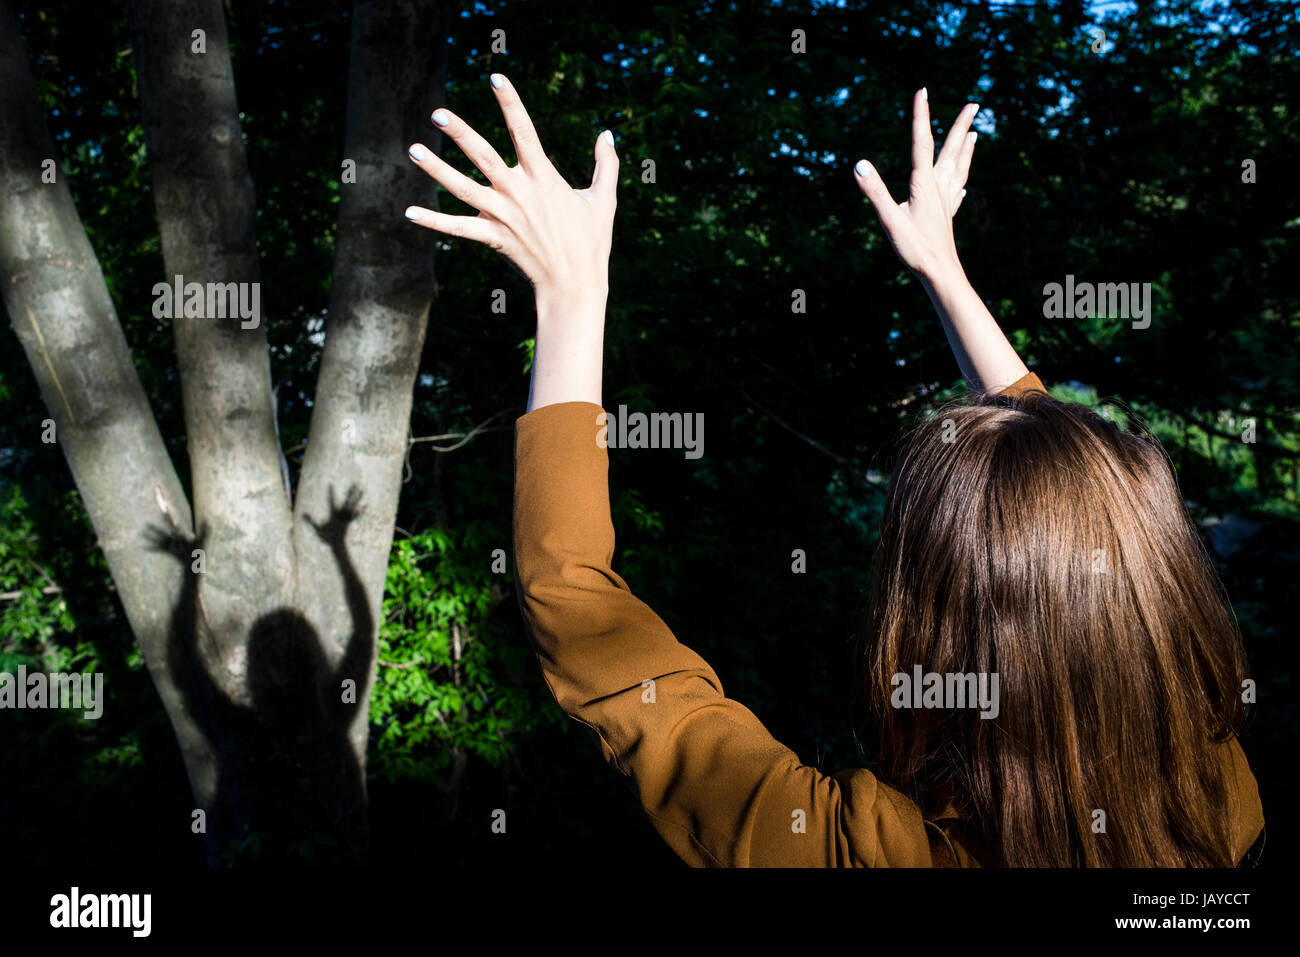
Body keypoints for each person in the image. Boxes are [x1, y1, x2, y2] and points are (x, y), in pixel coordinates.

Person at [404, 76, 1264, 867]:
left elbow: (574, 598)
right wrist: (945, 272)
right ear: (1155, 587)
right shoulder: (1221, 789)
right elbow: (1075, 494)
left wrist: (571, 294)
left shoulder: (858, 848)